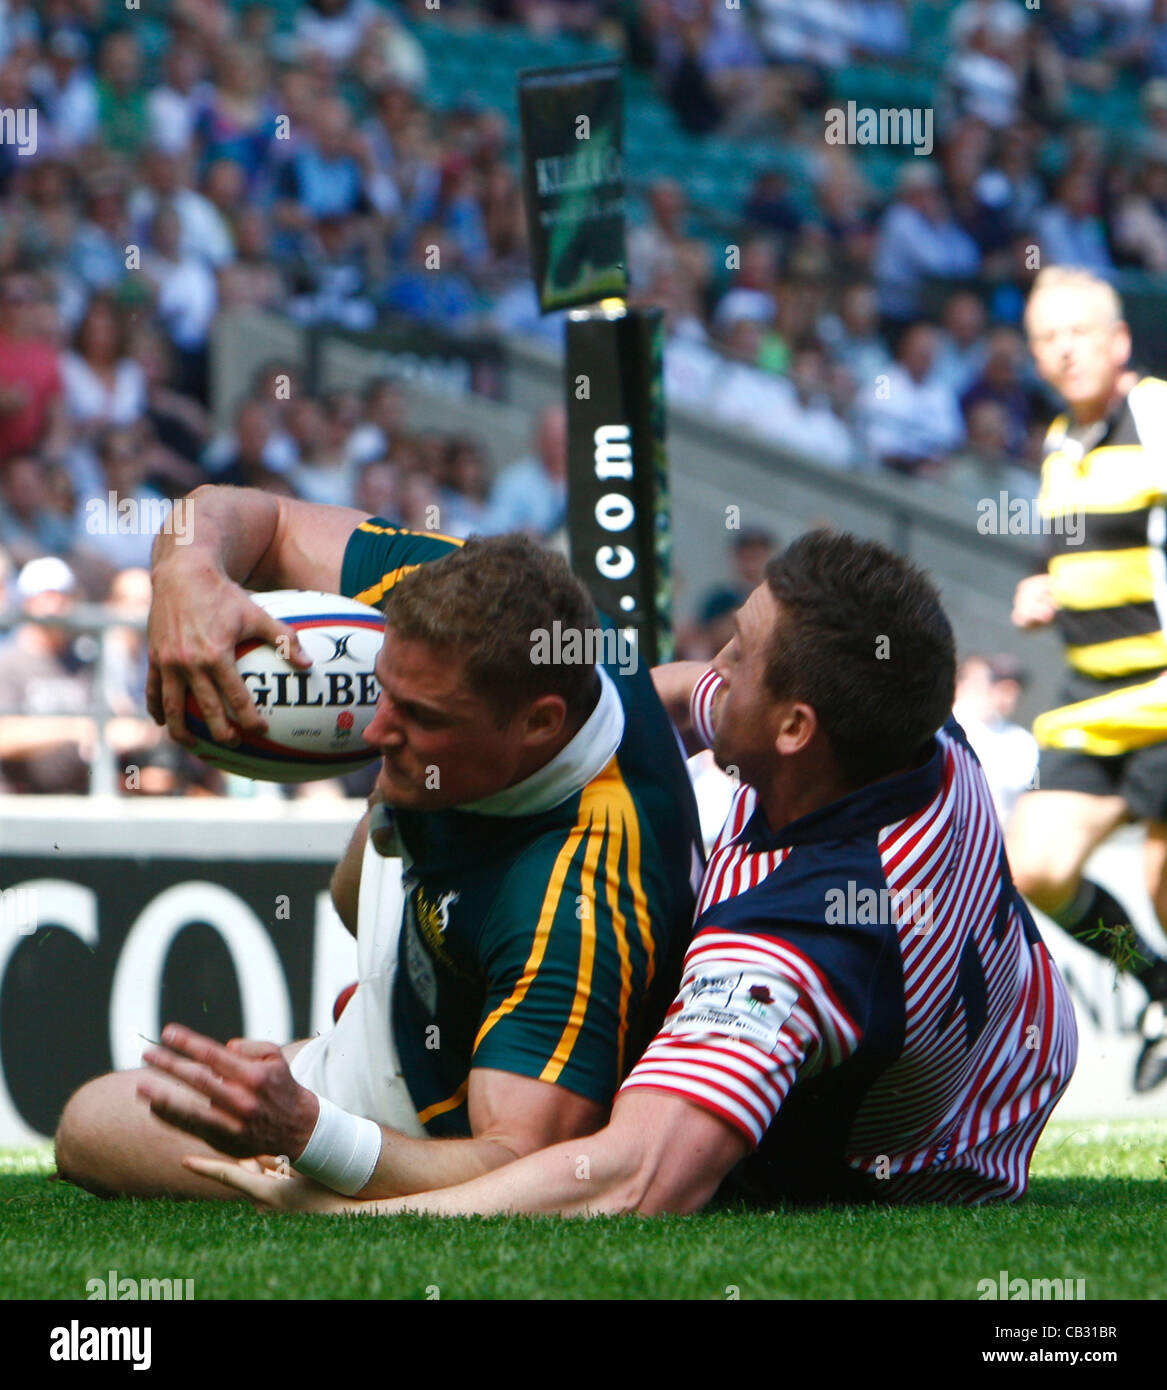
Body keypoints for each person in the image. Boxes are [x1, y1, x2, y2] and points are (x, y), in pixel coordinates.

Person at [184, 530, 1077, 1217]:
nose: (716, 662)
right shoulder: (916, 735)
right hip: (1011, 1057)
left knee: (119, 1131)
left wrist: (333, 1189)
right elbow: (694, 694)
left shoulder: (785, 948)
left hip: (912, 1167)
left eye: (740, 651)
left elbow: (632, 1181)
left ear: (796, 729)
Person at [54, 485, 704, 1201]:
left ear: (540, 725)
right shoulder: (482, 608)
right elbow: (248, 514)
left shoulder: (579, 898)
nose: (373, 730)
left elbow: (523, 1167)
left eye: (418, 715)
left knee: (94, 1123)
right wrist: (187, 575)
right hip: (423, 971)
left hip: (424, 1123)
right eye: (381, 687)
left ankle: (315, 1192)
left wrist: (307, 1133)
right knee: (353, 886)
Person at [1008, 266, 1167, 1094]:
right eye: (1045, 338)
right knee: (1033, 863)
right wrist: (1047, 589)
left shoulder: (1157, 415)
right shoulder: (1057, 444)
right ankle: (1154, 984)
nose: (1062, 350)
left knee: (1159, 883)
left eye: (1077, 333)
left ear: (1118, 342)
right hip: (1091, 696)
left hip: (1163, 689)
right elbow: (1083, 557)